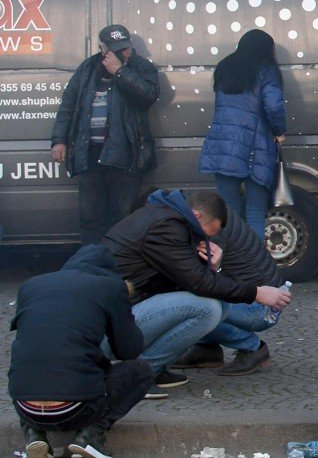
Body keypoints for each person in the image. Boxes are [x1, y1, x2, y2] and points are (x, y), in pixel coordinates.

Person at [102, 190, 291, 397]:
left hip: (117, 315)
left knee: (215, 303)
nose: (206, 239)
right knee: (207, 309)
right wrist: (256, 293)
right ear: (197, 215)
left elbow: (192, 281)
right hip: (109, 328)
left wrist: (214, 269)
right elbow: (197, 283)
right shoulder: (167, 227)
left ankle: (168, 364)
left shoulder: (169, 218)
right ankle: (140, 374)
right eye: (207, 233)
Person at [8, 245, 153, 458]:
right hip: (74, 408)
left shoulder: (30, 285)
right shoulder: (111, 287)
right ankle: (90, 437)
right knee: (142, 371)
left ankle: (34, 435)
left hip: (25, 406)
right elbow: (129, 351)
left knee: (31, 367)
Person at [52, 24, 159, 244]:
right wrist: (59, 140)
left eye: (126, 47)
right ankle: (90, 266)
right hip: (89, 153)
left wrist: (120, 71)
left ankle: (117, 269)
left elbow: (148, 96)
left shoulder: (142, 67)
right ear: (103, 49)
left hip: (126, 155)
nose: (124, 53)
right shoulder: (87, 68)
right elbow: (68, 106)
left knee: (122, 218)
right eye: (117, 49)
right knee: (90, 218)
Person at [168, 214, 283, 378]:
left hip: (262, 307)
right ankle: (206, 348)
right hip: (264, 296)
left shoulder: (207, 229)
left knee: (191, 306)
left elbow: (203, 282)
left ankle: (253, 348)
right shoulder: (209, 215)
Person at [198, 29, 286, 235]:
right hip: (255, 147)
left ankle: (229, 262)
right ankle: (255, 265)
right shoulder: (266, 70)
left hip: (223, 144)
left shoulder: (225, 67)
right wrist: (279, 131)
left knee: (229, 211)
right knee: (255, 212)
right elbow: (273, 106)